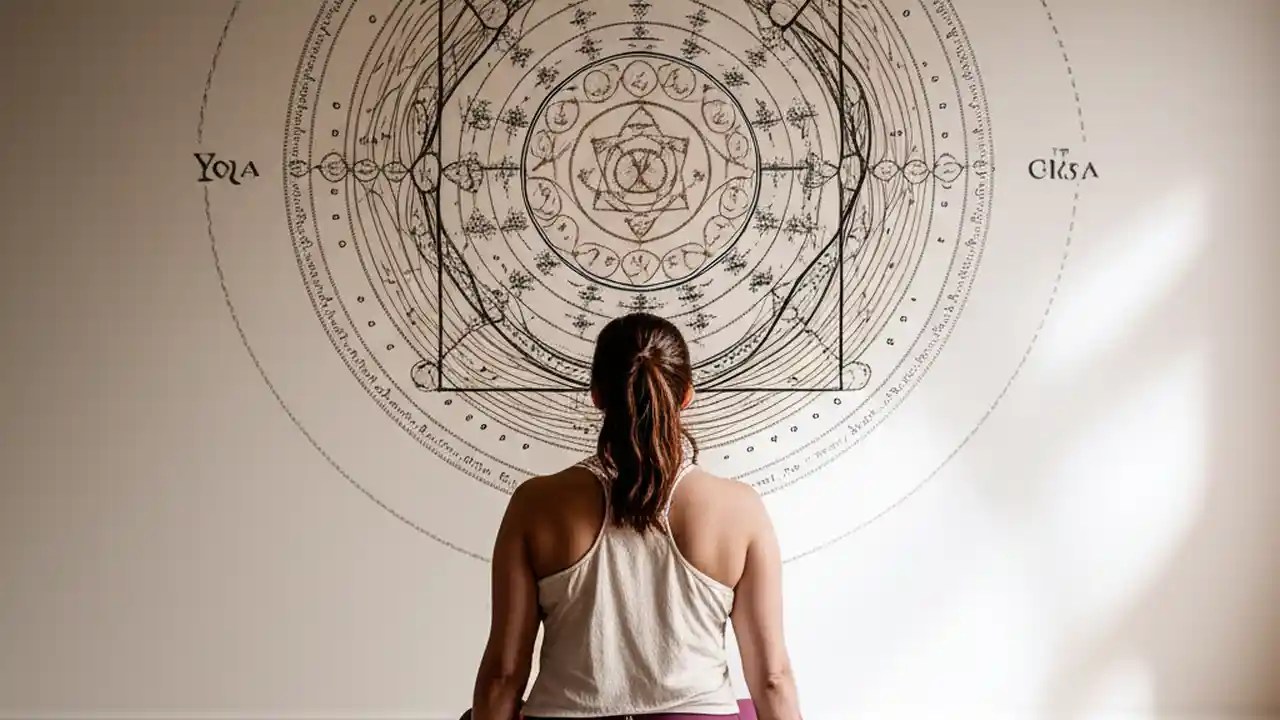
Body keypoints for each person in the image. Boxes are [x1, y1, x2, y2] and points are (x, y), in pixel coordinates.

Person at [468, 312, 803, 720]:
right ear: (686, 397)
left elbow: (504, 674)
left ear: (597, 396)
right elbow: (772, 678)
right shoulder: (740, 507)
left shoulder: (534, 503)